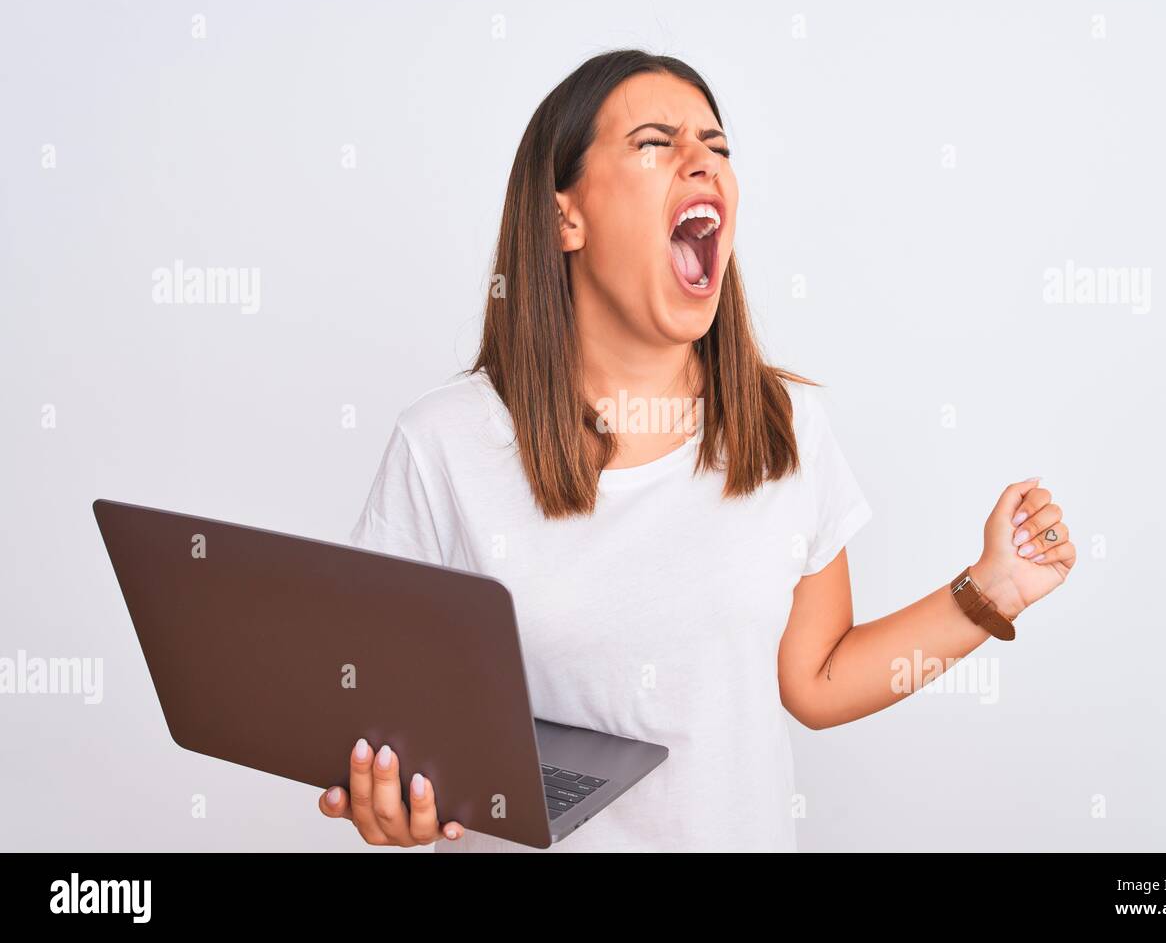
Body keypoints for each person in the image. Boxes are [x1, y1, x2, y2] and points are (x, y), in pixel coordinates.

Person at [317, 49, 1074, 852]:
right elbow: (368, 706)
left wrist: (989, 591)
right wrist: (390, 791)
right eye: (655, 142)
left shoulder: (787, 428)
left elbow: (817, 680)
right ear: (563, 217)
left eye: (717, 148)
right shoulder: (445, 444)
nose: (702, 162)